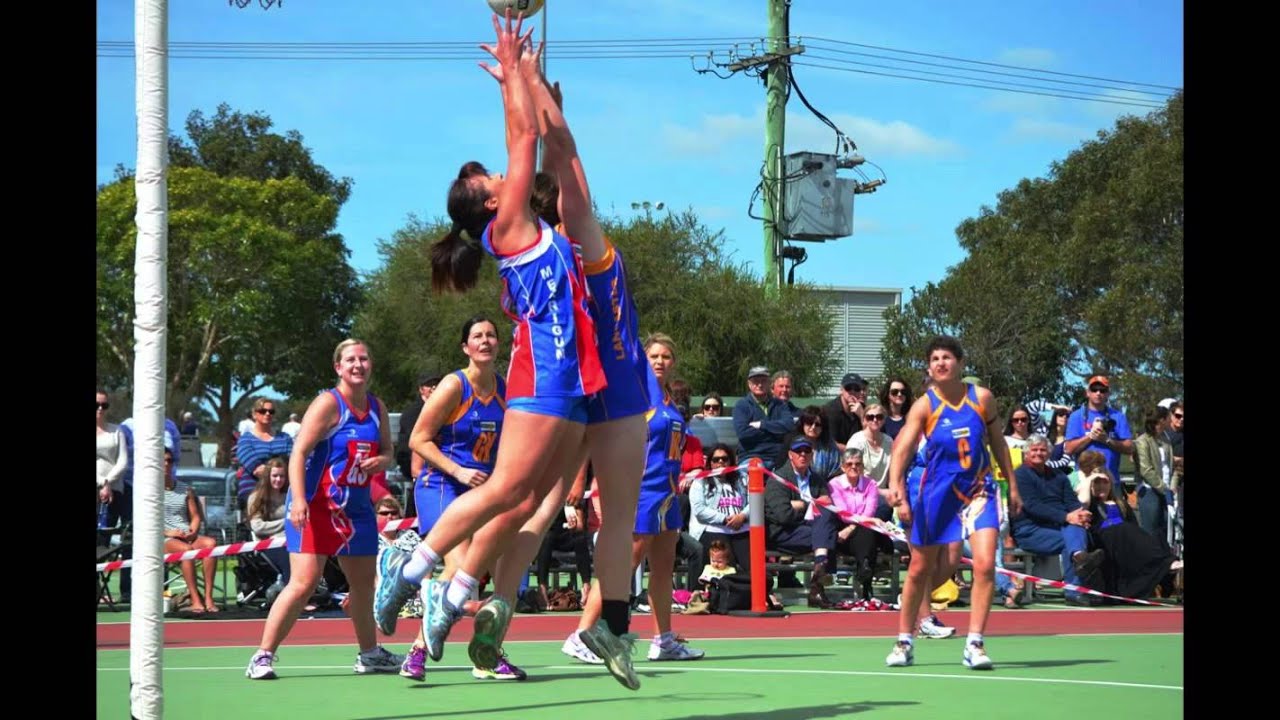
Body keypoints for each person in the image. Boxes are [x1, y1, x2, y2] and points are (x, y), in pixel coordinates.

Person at [374, 14, 647, 691]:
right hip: (555, 375)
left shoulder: (551, 238)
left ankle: (591, 621)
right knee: (515, 493)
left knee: (548, 504)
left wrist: (532, 84)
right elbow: (540, 146)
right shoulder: (533, 230)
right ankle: (426, 570)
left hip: (589, 379)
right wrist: (517, 79)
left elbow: (551, 150)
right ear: (496, 199)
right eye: (494, 177)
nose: (504, 175)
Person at [245, 339, 403, 680]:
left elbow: (389, 451)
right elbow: (299, 453)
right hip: (317, 505)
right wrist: (300, 500)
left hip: (356, 508)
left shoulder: (376, 406)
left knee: (364, 584)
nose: (358, 365)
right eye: (351, 359)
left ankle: (369, 654)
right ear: (338, 367)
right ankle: (262, 655)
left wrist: (382, 461)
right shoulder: (328, 404)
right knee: (304, 582)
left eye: (364, 358)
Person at [399, 316, 525, 683]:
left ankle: (487, 652)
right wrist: (458, 471)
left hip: (484, 490)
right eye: (477, 336)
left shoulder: (506, 391)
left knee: (506, 572)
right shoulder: (454, 385)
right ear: (465, 347)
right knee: (460, 567)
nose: (485, 341)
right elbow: (418, 439)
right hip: (442, 484)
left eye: (491, 335)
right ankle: (417, 651)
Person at [884, 335, 1021, 671]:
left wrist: (1012, 485)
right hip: (938, 493)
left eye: (947, 357)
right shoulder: (925, 405)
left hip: (979, 490)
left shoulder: (982, 398)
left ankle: (975, 643)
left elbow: (998, 443)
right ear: (929, 368)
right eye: (935, 359)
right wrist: (896, 484)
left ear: (960, 363)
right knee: (919, 568)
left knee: (985, 564)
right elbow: (902, 448)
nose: (941, 363)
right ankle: (904, 640)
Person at [570, 333, 706, 666]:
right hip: (641, 490)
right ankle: (580, 635)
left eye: (666, 356)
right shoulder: (634, 396)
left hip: (667, 492)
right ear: (644, 359)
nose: (660, 361)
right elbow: (593, 434)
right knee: (622, 563)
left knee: (663, 567)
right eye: (654, 356)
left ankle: (663, 641)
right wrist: (580, 480)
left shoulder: (669, 401)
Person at [246, 457, 292, 592]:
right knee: (289, 559)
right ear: (267, 477)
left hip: (291, 540)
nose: (278, 479)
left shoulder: (289, 496)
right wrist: (287, 522)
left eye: (282, 476)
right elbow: (257, 527)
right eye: (275, 476)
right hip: (268, 544)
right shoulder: (256, 497)